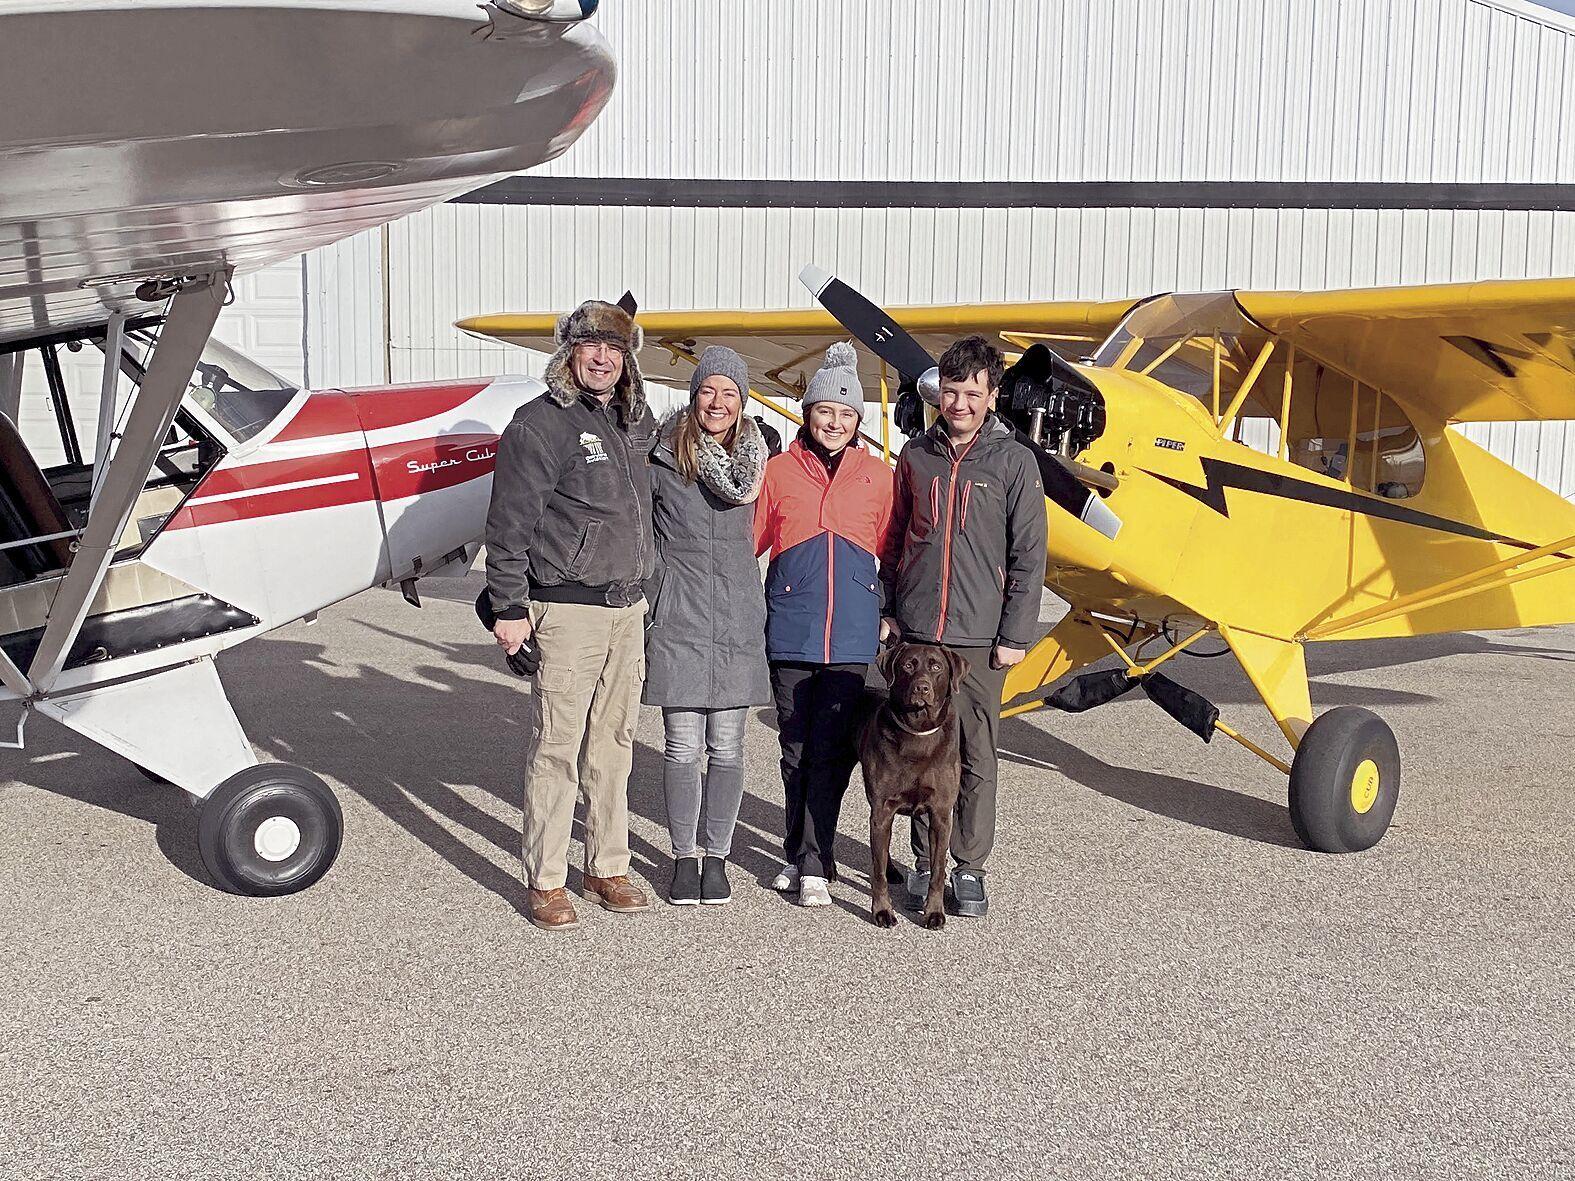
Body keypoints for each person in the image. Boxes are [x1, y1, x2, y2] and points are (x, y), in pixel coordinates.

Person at [485, 298, 658, 933]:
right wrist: (508, 607)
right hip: (567, 609)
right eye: (592, 346)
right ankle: (547, 878)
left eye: (615, 348)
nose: (603, 358)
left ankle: (607, 864)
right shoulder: (540, 424)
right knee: (557, 746)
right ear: (570, 351)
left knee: (614, 744)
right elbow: (508, 526)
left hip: (627, 608)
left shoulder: (634, 421)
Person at [879, 334, 1048, 919]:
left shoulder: (1014, 462)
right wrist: (888, 608)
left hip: (979, 639)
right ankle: (924, 862)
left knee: (975, 754)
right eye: (951, 393)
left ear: (992, 394)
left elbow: (1029, 554)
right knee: (919, 750)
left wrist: (1015, 636)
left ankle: (969, 865)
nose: (960, 405)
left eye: (973, 394)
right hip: (920, 629)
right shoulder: (916, 456)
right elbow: (896, 537)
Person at [754, 342, 894, 908]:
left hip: (853, 638)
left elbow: (893, 551)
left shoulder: (878, 477)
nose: (834, 423)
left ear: (858, 421)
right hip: (792, 630)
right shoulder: (777, 472)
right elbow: (747, 541)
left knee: (831, 751)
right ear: (808, 413)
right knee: (794, 748)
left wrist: (886, 609)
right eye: (824, 411)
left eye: (845, 414)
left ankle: (815, 861)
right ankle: (798, 853)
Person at [644, 346, 772, 906]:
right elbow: (644, 535)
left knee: (727, 747)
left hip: (737, 617)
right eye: (708, 390)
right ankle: (683, 856)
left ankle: (716, 856)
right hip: (681, 614)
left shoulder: (759, 462)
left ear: (742, 402)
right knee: (681, 747)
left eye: (729, 392)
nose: (717, 402)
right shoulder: (663, 457)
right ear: (694, 395)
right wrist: (657, 595)